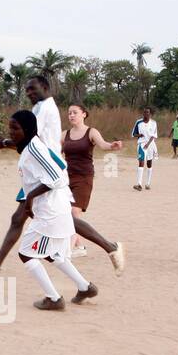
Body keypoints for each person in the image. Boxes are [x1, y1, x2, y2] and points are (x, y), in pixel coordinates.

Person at [0, 77, 123, 279]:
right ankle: (107, 251)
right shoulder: (41, 108)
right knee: (26, 218)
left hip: (48, 172)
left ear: (45, 88)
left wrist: (6, 142)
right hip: (42, 170)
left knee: (51, 220)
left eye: (32, 89)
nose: (29, 93)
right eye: (26, 90)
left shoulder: (45, 108)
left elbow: (28, 138)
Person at [3, 111, 99, 310]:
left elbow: (59, 177)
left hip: (51, 212)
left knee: (26, 253)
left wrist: (29, 198)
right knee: (52, 254)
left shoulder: (35, 148)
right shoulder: (31, 146)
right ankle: (85, 287)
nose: (11, 132)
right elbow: (58, 165)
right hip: (55, 209)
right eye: (10, 128)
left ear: (28, 130)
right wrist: (5, 143)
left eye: (15, 128)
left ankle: (53, 299)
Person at [61, 103, 126, 264]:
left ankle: (67, 252)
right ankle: (79, 247)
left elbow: (104, 145)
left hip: (84, 178)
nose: (71, 115)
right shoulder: (64, 134)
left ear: (84, 114)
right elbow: (54, 151)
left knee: (74, 212)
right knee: (64, 212)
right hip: (65, 178)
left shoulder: (91, 132)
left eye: (75, 112)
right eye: (69, 113)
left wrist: (113, 146)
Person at [132, 106, 158, 190]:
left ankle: (147, 183)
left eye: (147, 112)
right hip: (141, 145)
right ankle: (139, 184)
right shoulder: (138, 122)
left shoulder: (154, 123)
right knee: (141, 162)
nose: (145, 114)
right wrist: (139, 135)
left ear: (150, 114)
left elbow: (153, 136)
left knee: (149, 164)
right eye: (144, 112)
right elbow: (133, 134)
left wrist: (148, 144)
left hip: (151, 145)